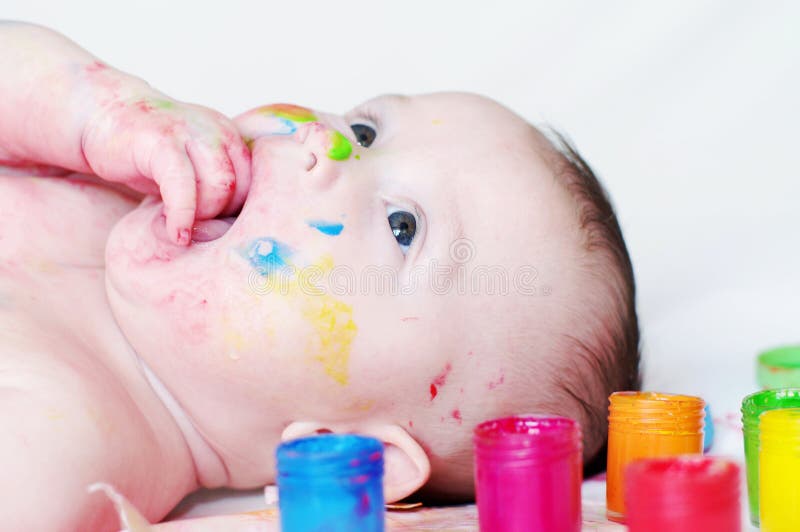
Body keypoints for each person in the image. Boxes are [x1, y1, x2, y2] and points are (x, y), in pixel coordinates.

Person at [0, 21, 639, 530]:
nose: (319, 145)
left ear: (350, 452)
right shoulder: (105, 168)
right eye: (364, 130)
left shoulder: (64, 453)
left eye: (403, 228)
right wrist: (95, 112)